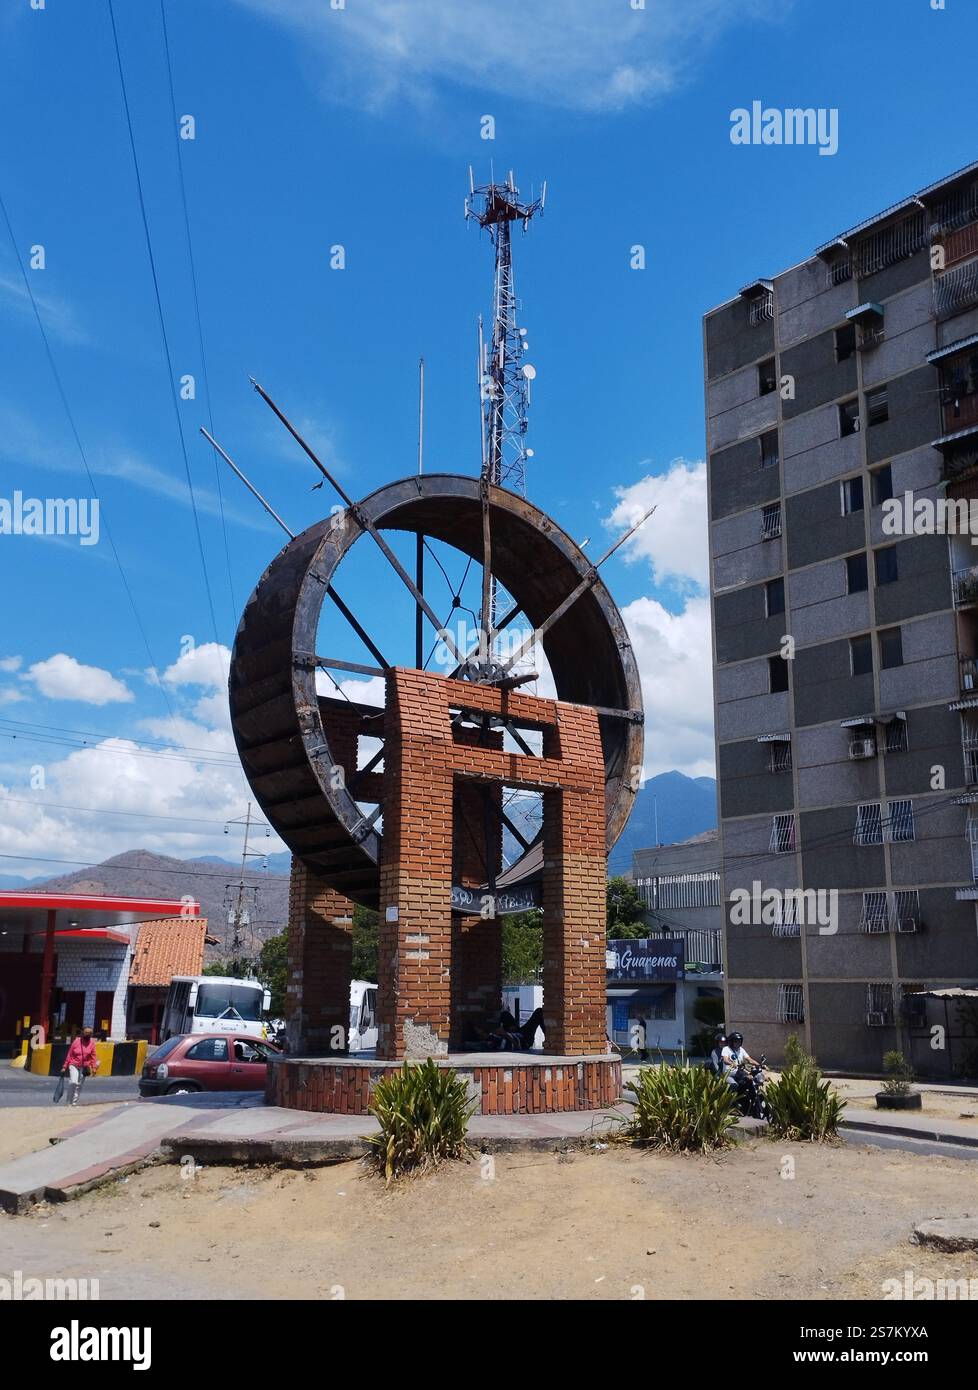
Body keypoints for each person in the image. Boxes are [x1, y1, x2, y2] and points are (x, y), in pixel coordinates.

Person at [62, 1026, 99, 1106]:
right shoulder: (76, 1041)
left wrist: (94, 1067)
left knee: (79, 1085)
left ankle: (74, 1102)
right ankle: (68, 1101)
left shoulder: (92, 1043)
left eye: (90, 1033)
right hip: (74, 1065)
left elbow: (93, 1056)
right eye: (86, 1032)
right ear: (82, 1033)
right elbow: (70, 1054)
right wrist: (65, 1066)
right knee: (73, 1082)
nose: (88, 1034)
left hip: (84, 1067)